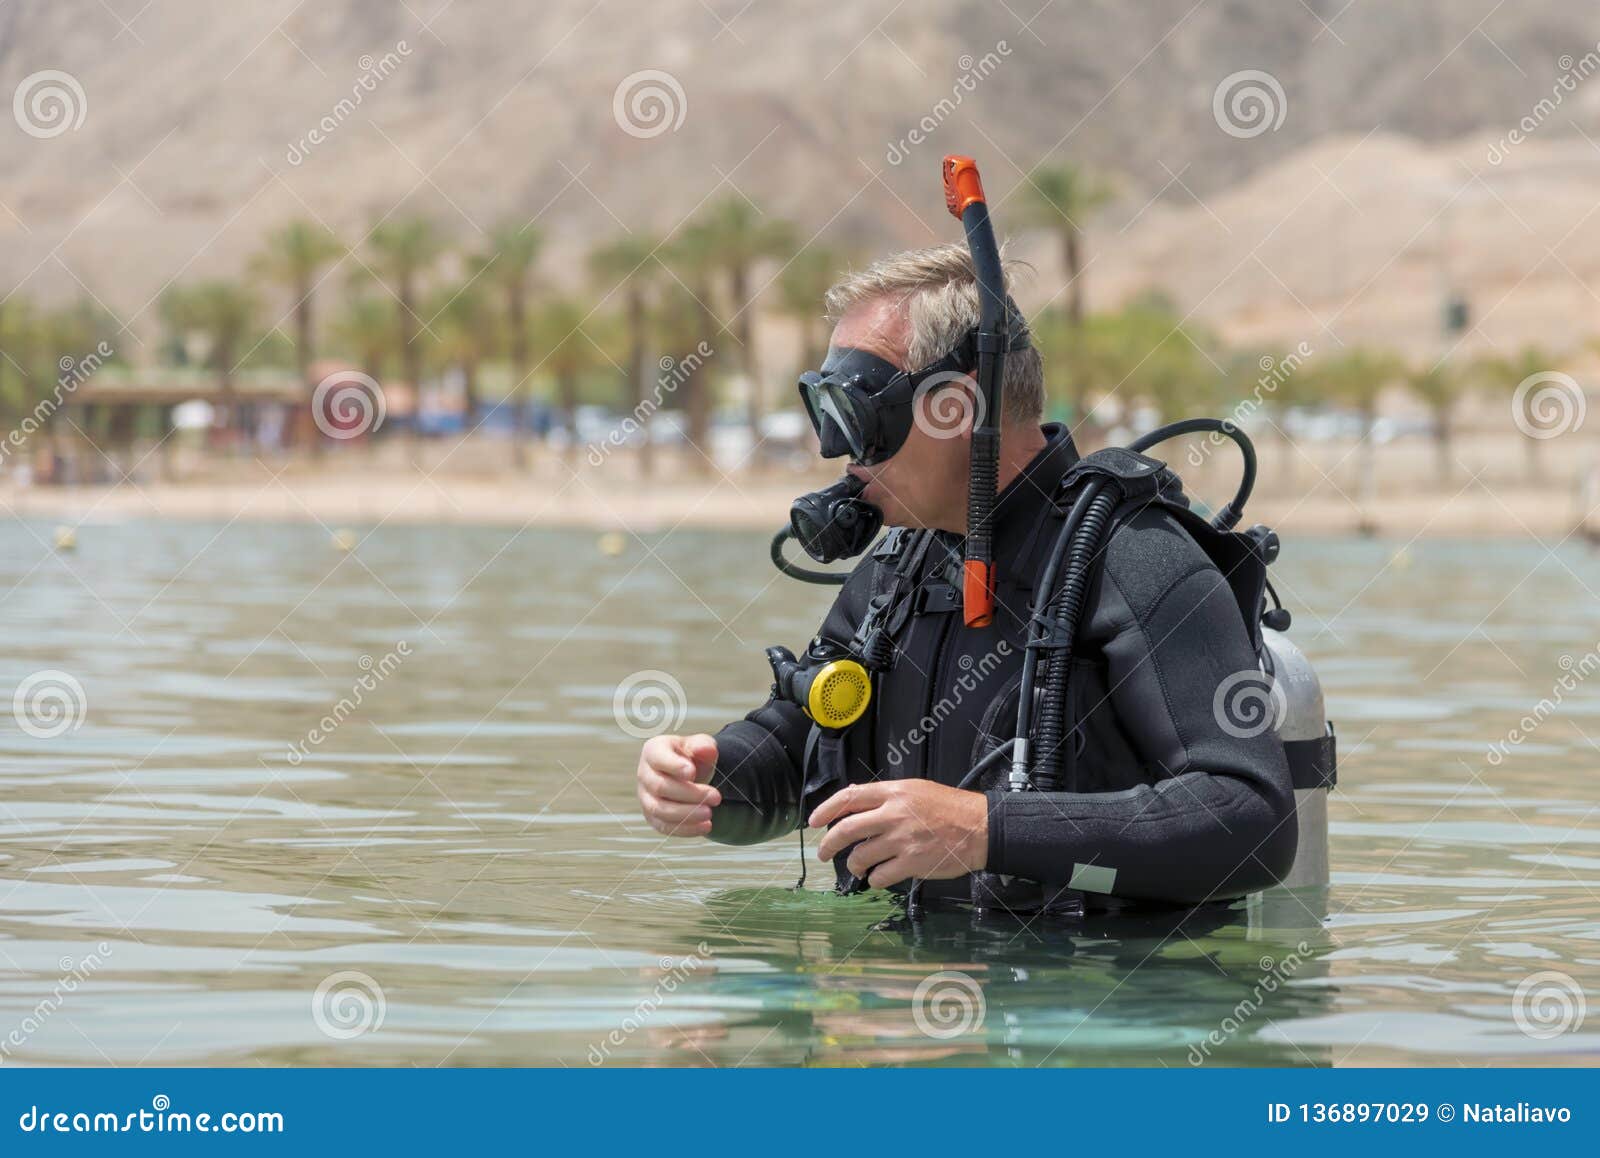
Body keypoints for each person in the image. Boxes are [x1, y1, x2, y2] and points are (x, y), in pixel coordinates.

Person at [634, 242, 1298, 911]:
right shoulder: (896, 571)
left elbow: (1252, 823)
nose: (833, 450)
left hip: (1095, 999)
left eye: (856, 415)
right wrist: (709, 777)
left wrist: (987, 831)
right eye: (824, 413)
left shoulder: (1138, 558)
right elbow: (799, 745)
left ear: (955, 407)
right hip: (900, 992)